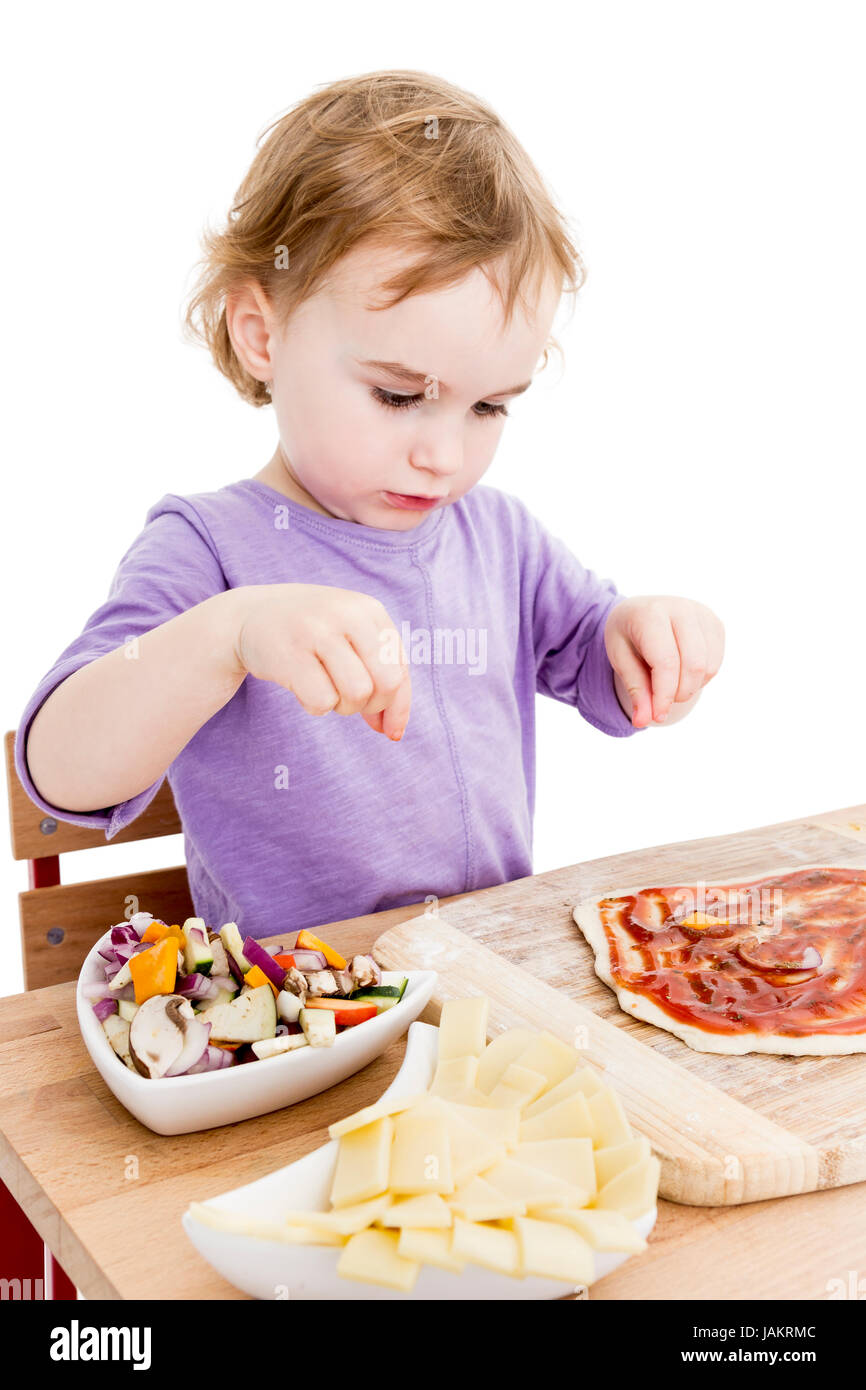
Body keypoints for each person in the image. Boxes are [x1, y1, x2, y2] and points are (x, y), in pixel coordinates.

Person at [15, 70, 724, 940]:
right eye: (397, 396)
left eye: (490, 406)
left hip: (482, 995)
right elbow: (57, 767)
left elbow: (613, 674)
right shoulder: (210, 549)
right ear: (262, 332)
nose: (444, 454)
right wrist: (226, 635)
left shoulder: (498, 538)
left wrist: (652, 641)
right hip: (304, 1027)